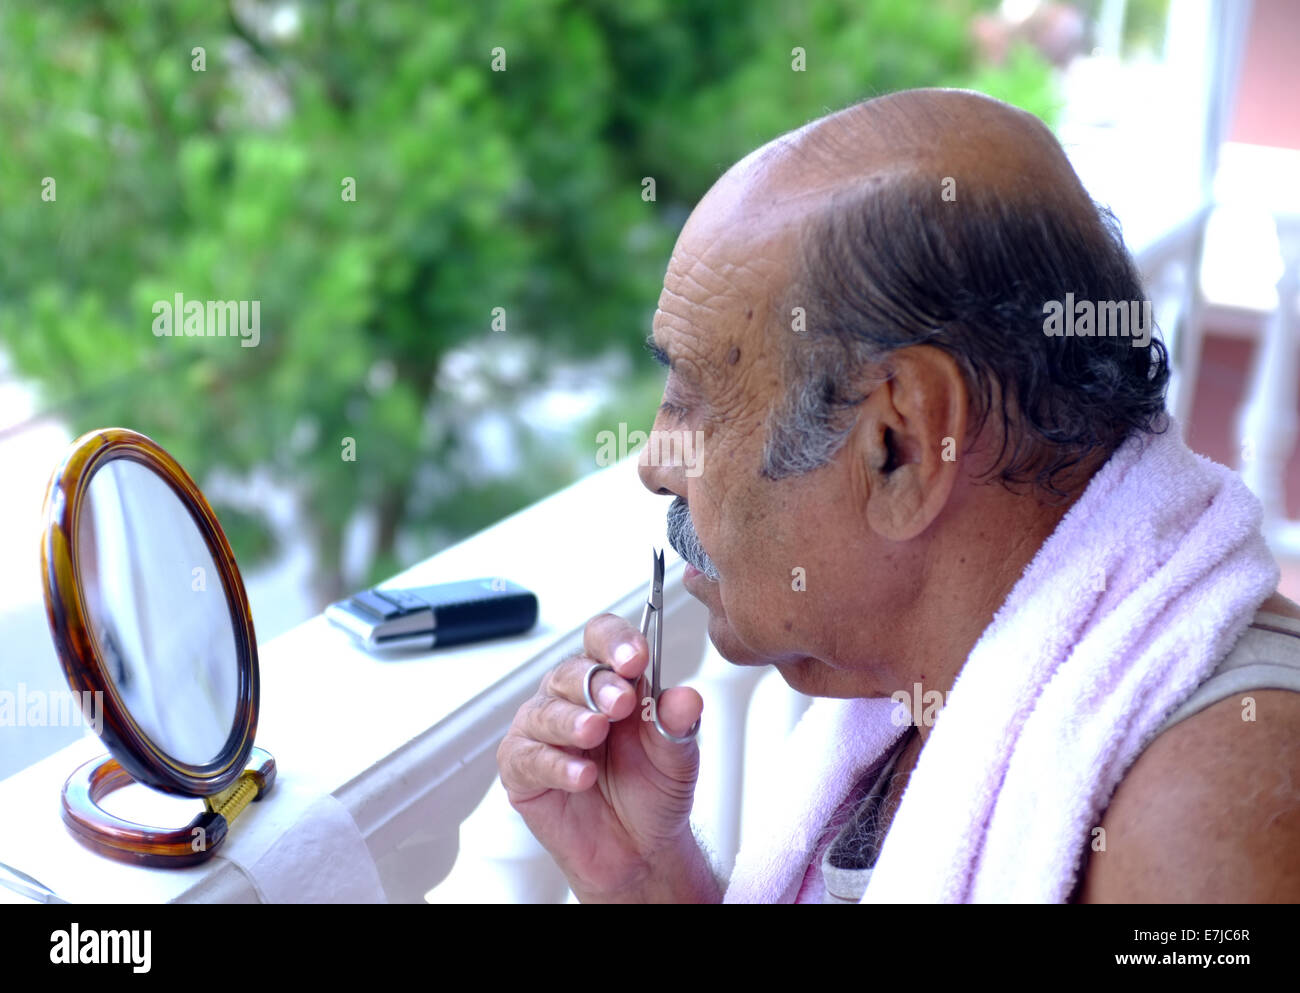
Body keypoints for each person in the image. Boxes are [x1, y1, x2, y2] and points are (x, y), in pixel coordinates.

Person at [497, 88, 1300, 903]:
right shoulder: (940, 692)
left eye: (695, 399)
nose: (654, 464)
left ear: (901, 445)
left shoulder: (1208, 831)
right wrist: (644, 880)